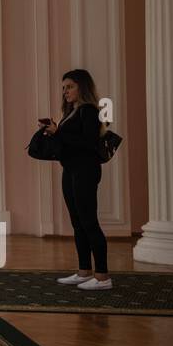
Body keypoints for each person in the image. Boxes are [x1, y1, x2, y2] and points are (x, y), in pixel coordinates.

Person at [32, 69, 111, 291]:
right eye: (64, 87)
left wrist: (59, 132)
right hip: (71, 170)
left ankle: (103, 276)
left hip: (85, 170)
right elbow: (69, 141)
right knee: (77, 223)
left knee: (89, 222)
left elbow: (87, 142)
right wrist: (53, 132)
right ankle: (84, 271)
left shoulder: (88, 111)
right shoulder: (71, 112)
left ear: (82, 87)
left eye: (70, 86)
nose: (65, 91)